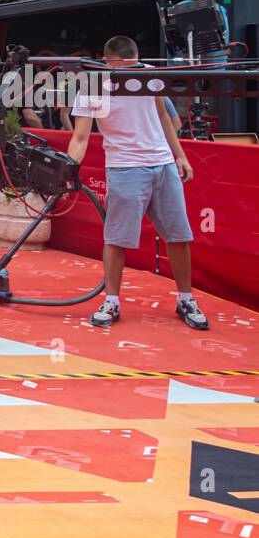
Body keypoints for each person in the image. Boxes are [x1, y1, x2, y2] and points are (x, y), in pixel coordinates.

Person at [66, 35, 207, 331]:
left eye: (138, 64)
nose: (136, 69)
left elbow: (165, 118)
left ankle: (186, 299)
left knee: (179, 236)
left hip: (164, 165)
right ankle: (112, 301)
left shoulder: (149, 75)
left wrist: (179, 155)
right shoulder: (93, 86)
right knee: (116, 239)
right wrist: (68, 170)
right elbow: (80, 137)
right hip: (125, 168)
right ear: (111, 62)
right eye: (129, 66)